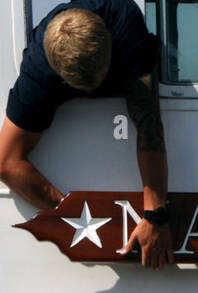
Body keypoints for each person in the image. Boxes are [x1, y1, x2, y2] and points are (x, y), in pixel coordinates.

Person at [0, 0, 173, 267]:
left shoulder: (127, 31)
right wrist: (74, 219)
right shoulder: (39, 70)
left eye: (99, 81)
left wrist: (155, 214)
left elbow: (149, 125)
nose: (91, 93)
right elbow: (6, 163)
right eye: (80, 88)